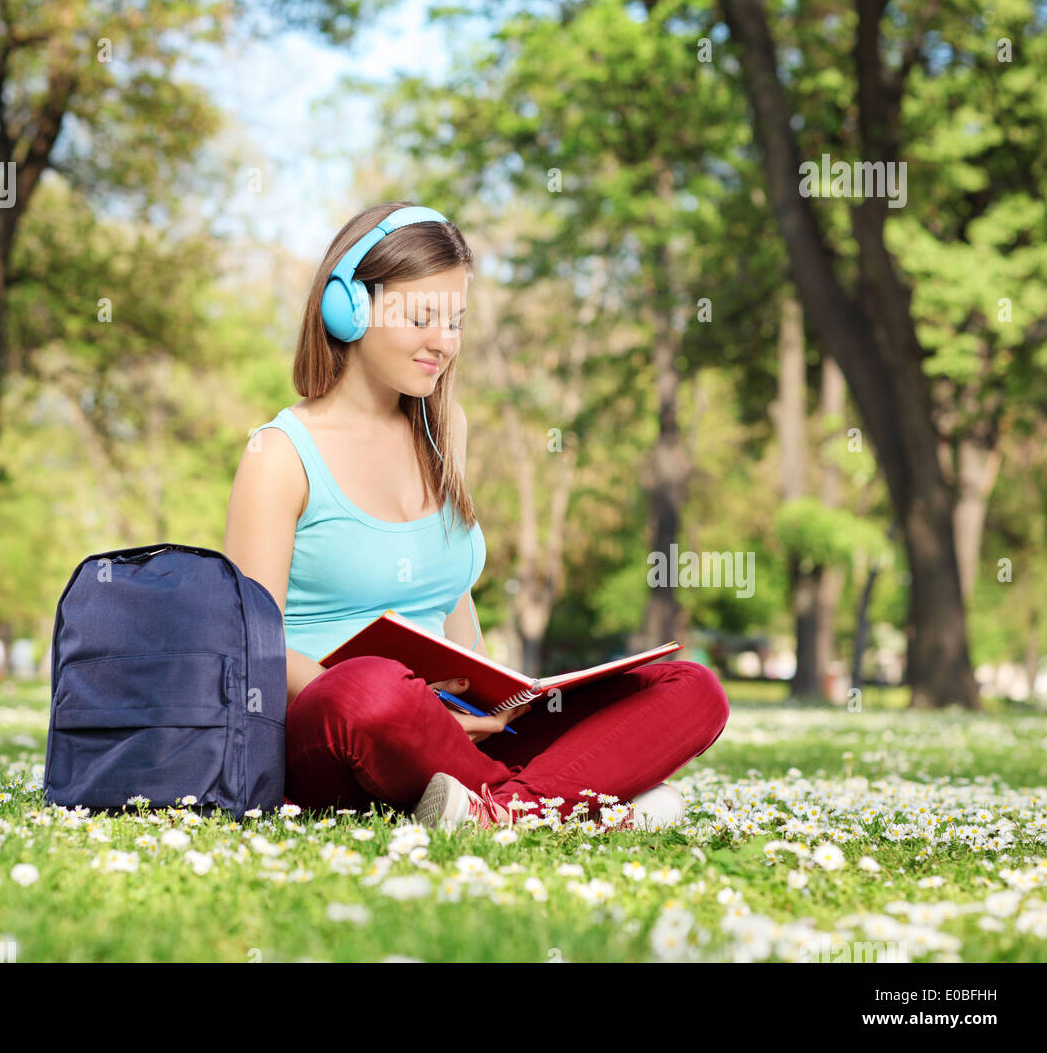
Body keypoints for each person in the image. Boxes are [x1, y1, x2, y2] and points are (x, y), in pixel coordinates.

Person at [223, 201, 730, 831]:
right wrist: (418, 708)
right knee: (371, 686)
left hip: (453, 729)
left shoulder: (444, 429)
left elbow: (452, 600)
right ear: (348, 309)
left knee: (688, 688)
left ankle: (495, 810)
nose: (444, 342)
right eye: (422, 317)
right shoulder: (278, 454)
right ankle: (575, 808)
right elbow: (250, 647)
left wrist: (501, 698)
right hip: (338, 728)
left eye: (457, 321)